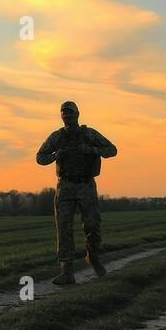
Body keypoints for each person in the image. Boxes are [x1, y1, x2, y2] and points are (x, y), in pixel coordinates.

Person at [36, 101, 118, 285]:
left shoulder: (89, 134)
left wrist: (91, 150)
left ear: (78, 114)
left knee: (92, 226)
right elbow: (40, 157)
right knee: (64, 228)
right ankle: (67, 271)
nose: (67, 116)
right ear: (61, 116)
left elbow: (112, 150)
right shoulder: (57, 137)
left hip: (86, 185)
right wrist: (56, 155)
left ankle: (93, 257)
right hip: (65, 186)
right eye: (64, 113)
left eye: (70, 113)